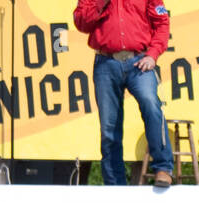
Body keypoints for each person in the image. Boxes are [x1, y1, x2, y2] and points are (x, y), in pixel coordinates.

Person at [72, 0, 174, 186]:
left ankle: (163, 168)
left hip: (140, 60)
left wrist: (153, 55)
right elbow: (81, 23)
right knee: (109, 127)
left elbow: (162, 23)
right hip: (106, 62)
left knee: (151, 105)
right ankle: (115, 183)